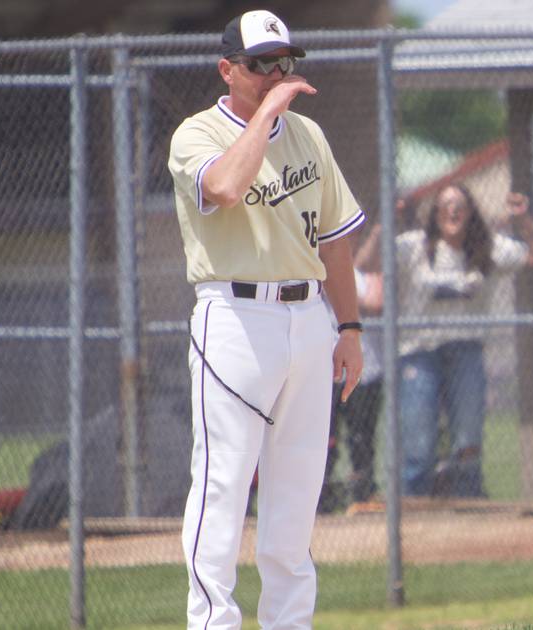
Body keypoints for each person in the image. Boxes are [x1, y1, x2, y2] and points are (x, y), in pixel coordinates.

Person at [167, 9, 365, 628]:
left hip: (308, 318)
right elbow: (225, 187)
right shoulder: (197, 133)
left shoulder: (309, 136)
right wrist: (267, 115)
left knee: (296, 499)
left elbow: (333, 239)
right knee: (223, 487)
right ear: (228, 70)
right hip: (235, 317)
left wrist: (352, 328)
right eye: (260, 65)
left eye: (284, 62)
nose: (277, 74)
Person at [372, 185, 533, 497]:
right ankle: (412, 512)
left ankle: (470, 514)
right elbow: (367, 264)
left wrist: (524, 221)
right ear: (435, 214)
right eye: (444, 205)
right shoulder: (415, 247)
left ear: (470, 212)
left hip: (466, 346)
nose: (452, 211)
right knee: (419, 442)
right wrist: (384, 223)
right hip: (418, 350)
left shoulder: (486, 247)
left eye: (460, 205)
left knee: (467, 439)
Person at [320, 258, 385, 512]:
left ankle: (362, 495)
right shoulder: (314, 267)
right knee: (325, 438)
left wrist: (341, 290)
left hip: (366, 370)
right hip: (326, 371)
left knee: (361, 438)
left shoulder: (362, 274)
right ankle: (321, 497)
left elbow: (376, 302)